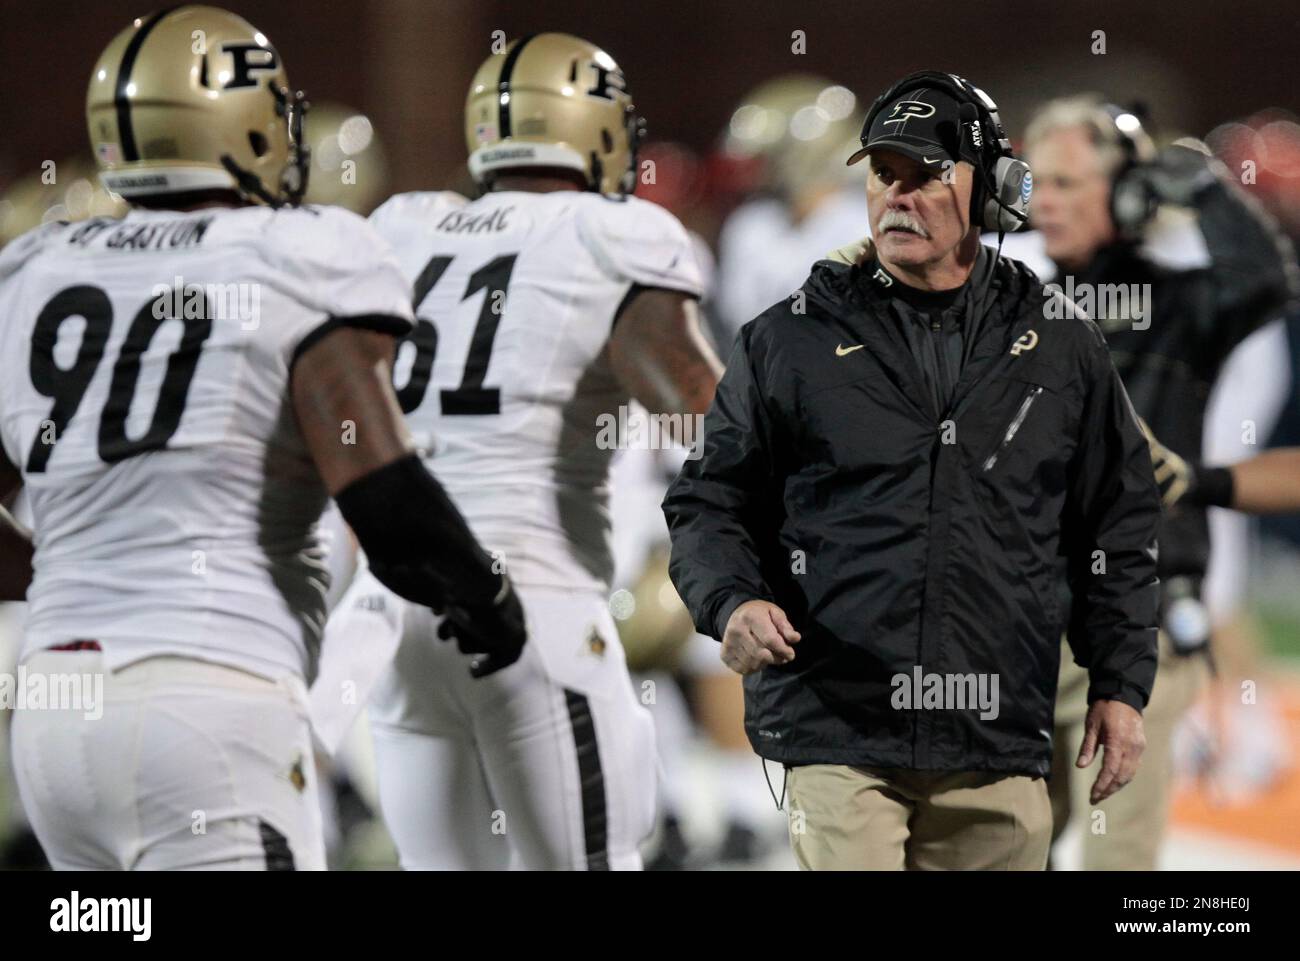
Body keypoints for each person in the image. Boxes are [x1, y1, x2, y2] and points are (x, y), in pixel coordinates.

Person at [0, 6, 522, 871]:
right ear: (235, 124)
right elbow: (384, 492)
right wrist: (485, 596)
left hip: (55, 712)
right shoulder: (296, 253)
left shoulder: (35, 266)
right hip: (207, 700)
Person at [663, 71, 1162, 871]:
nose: (899, 194)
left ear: (994, 189)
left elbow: (1117, 521)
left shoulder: (1061, 344)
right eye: (884, 173)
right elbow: (707, 497)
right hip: (838, 726)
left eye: (926, 174)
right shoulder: (787, 340)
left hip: (996, 732)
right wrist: (732, 598)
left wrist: (1121, 682)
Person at [330, 32, 722, 870]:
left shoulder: (402, 226)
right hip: (530, 606)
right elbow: (704, 415)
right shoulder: (616, 233)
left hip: (397, 605)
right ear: (600, 132)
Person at [1021, 96, 1297, 869]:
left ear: (1128, 195)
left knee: (1120, 859)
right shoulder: (1007, 298)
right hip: (1014, 618)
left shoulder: (1177, 306)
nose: (1045, 201)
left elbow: (1263, 281)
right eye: (1037, 182)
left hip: (1133, 620)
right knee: (1004, 848)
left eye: (1069, 183)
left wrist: (1203, 189)